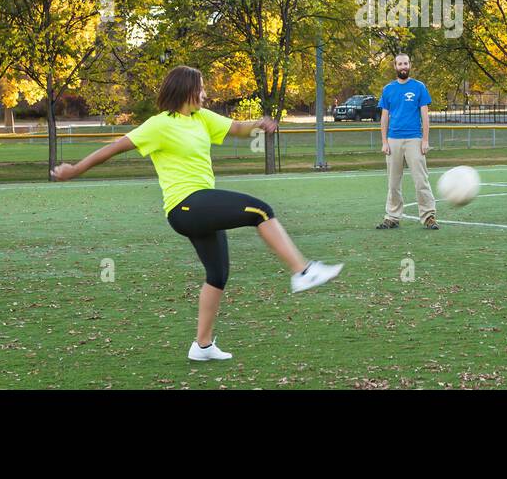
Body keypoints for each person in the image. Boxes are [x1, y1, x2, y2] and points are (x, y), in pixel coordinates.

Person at [51, 66, 342, 362]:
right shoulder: (159, 125)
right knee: (261, 211)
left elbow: (237, 129)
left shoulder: (202, 118)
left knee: (218, 274)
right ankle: (302, 272)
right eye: (201, 88)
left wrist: (260, 123)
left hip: (200, 206)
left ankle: (201, 347)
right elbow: (113, 148)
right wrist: (74, 170)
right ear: (186, 90)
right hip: (185, 206)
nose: (205, 93)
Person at [375, 53, 439, 230]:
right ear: (395, 66)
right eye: (400, 64)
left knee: (421, 180)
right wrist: (384, 141)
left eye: (406, 63)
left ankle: (428, 217)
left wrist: (425, 140)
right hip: (393, 140)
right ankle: (392, 217)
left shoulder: (419, 87)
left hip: (414, 140)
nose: (403, 66)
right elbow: (384, 117)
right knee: (393, 183)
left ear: (410, 65)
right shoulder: (388, 89)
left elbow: (425, 115)